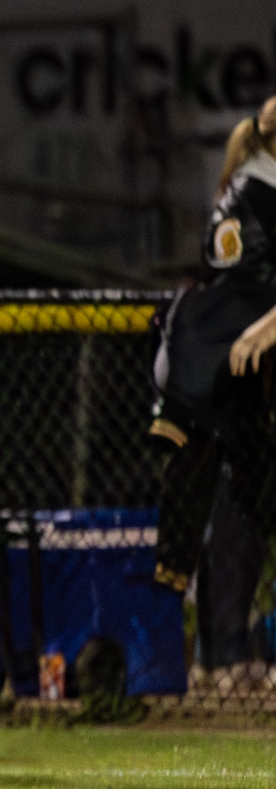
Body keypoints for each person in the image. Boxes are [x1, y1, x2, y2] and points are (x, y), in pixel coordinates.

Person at [160, 94, 276, 683]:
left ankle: (224, 648)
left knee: (237, 503)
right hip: (247, 366)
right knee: (241, 505)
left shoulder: (239, 182)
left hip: (216, 362)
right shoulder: (264, 190)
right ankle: (226, 650)